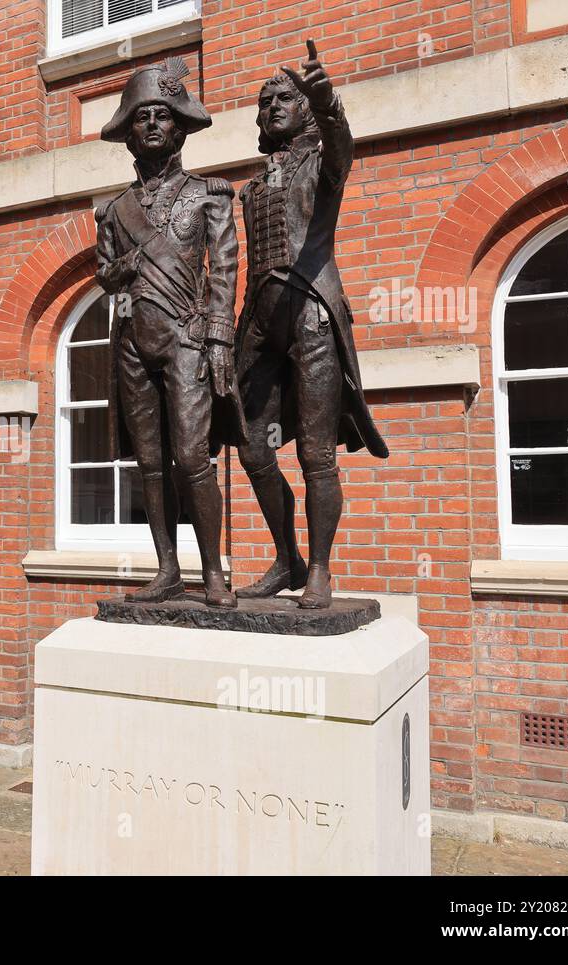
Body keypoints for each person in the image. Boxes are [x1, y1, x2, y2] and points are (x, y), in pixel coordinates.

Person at [234, 41, 389, 609]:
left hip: (311, 315)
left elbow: (342, 146)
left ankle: (320, 569)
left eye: (284, 98)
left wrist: (328, 103)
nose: (272, 107)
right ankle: (288, 559)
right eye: (265, 102)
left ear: (304, 109)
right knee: (252, 449)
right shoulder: (253, 186)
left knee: (317, 455)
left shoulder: (324, 164)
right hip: (259, 323)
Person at [94, 57, 246, 608]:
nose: (153, 124)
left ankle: (213, 573)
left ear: (180, 127)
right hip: (132, 342)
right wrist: (125, 265)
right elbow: (104, 272)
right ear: (129, 133)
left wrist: (220, 337)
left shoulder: (209, 194)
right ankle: (167, 570)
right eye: (142, 117)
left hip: (187, 337)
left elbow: (224, 270)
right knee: (150, 462)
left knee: (192, 457)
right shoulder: (114, 210)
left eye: (163, 115)